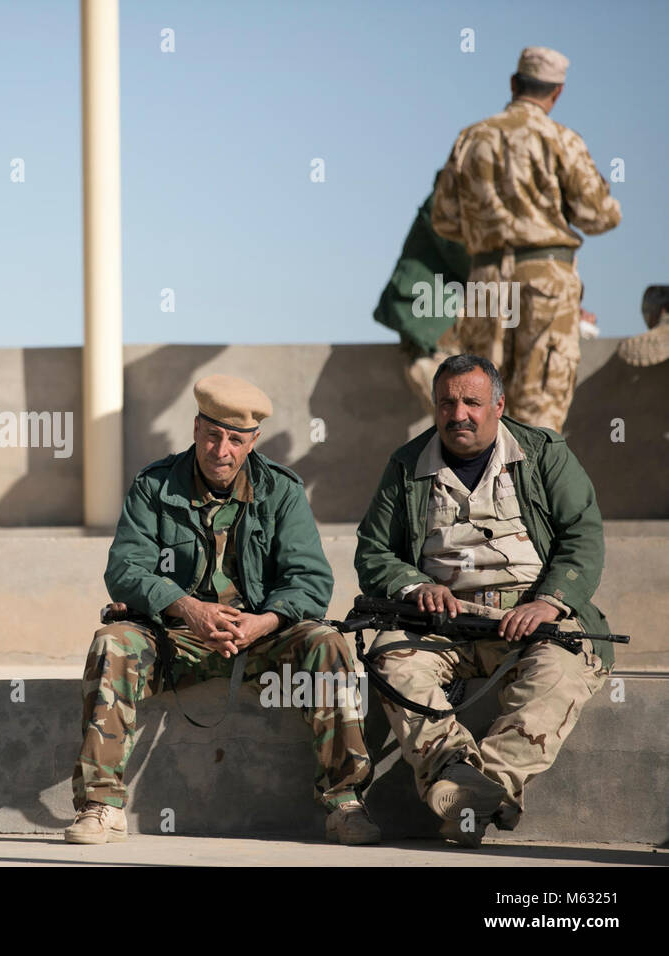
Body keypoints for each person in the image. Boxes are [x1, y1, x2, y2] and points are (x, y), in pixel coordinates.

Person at [66, 376, 379, 846]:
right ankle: (101, 804)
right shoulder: (155, 486)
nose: (222, 450)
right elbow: (125, 569)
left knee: (327, 644)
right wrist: (186, 607)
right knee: (113, 642)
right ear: (195, 428)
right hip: (176, 638)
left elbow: (310, 580)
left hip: (261, 640)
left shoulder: (282, 491)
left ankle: (345, 802)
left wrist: (264, 622)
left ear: (253, 442)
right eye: (212, 435)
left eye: (236, 439)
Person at [355, 354, 611, 847]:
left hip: (529, 617)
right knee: (390, 657)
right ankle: (455, 773)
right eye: (447, 403)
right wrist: (415, 585)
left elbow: (582, 534)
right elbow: (373, 550)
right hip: (441, 623)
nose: (458, 415)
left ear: (498, 405)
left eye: (471, 402)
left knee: (561, 671)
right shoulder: (407, 464)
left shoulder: (543, 453)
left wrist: (549, 602)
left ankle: (477, 788)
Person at [431, 46, 621, 432]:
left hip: (486, 285)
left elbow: (443, 219)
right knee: (538, 417)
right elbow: (600, 216)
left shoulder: (471, 138)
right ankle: (530, 492)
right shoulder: (561, 140)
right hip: (546, 285)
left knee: (478, 415)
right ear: (557, 92)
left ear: (514, 83)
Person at [373, 179, 470, 413]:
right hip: (430, 316)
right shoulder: (450, 195)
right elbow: (467, 258)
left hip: (435, 314)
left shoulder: (459, 193)